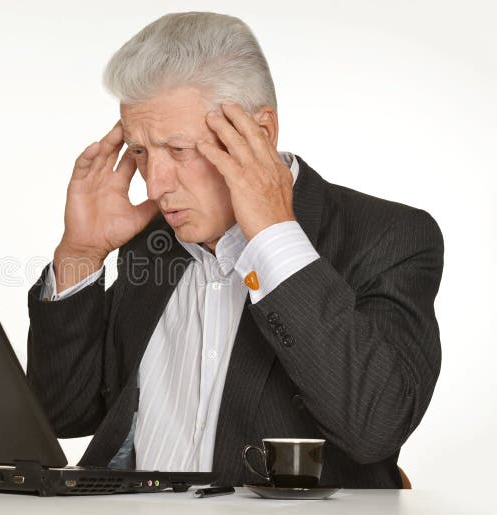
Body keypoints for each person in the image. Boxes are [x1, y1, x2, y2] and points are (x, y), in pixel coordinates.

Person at [25, 11, 443, 488]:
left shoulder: (389, 236)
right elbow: (63, 415)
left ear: (260, 134)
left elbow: (375, 427)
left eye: (178, 150)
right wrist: (80, 254)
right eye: (140, 151)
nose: (155, 184)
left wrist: (274, 237)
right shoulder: (152, 243)